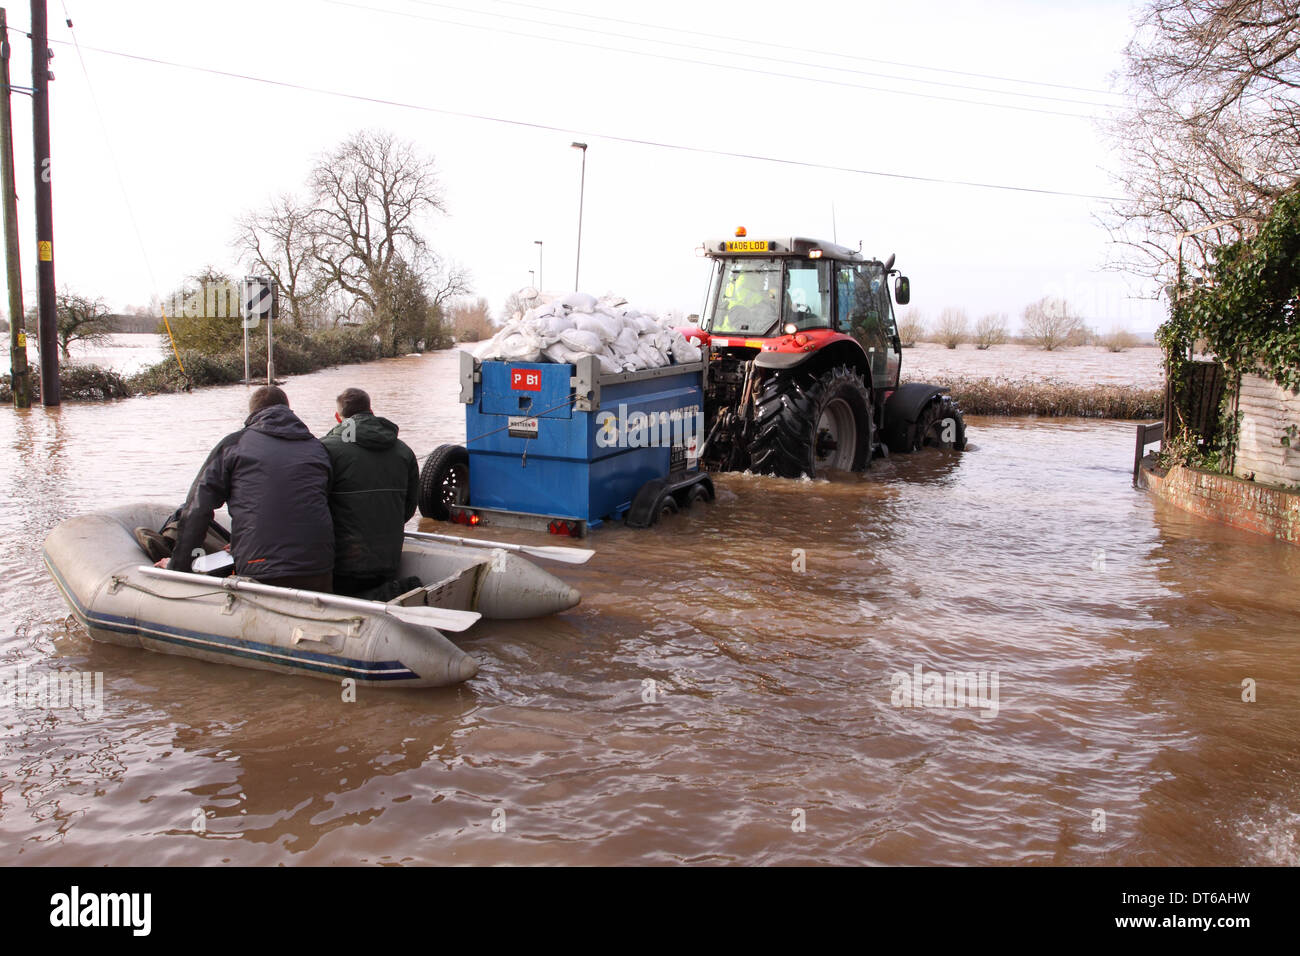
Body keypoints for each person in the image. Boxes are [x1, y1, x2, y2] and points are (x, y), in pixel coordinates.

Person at [165, 385, 335, 592]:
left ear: (252, 413)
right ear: (289, 410)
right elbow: (317, 501)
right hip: (318, 566)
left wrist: (178, 569)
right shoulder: (317, 447)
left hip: (260, 567)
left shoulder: (234, 444)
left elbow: (197, 509)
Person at [319, 387, 420, 598]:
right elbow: (408, 508)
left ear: (339, 418)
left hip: (343, 561)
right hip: (389, 558)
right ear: (371, 411)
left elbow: (315, 507)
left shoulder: (326, 449)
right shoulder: (404, 451)